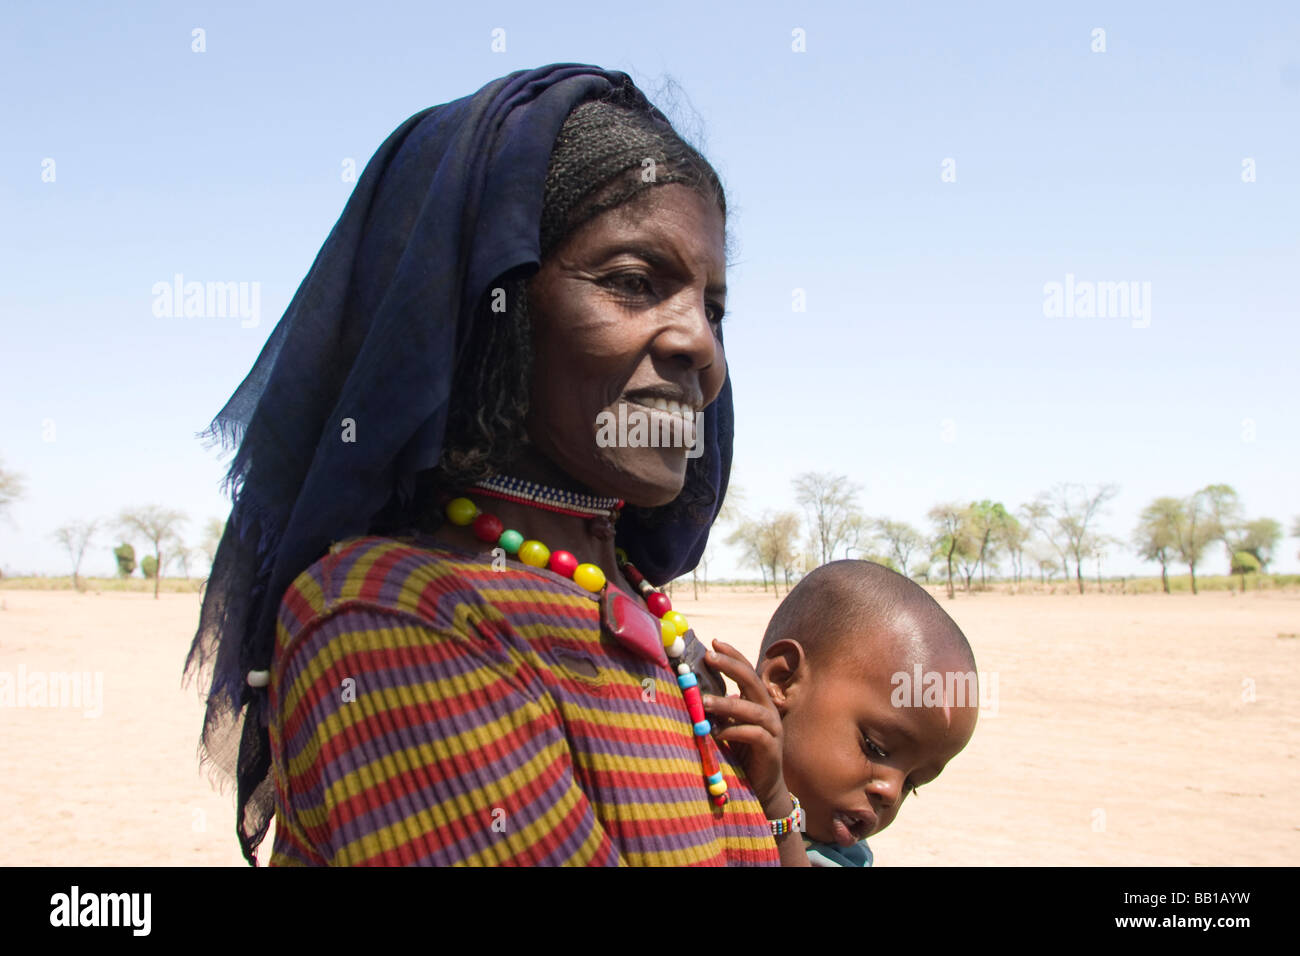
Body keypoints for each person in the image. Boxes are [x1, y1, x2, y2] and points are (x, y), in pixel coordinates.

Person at [184, 63, 793, 866]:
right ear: (494, 305)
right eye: (633, 282)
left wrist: (779, 812)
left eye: (711, 308)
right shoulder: (391, 619)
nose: (701, 347)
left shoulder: (651, 628)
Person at [701, 559, 980, 866]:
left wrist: (775, 804)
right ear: (783, 680)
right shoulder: (700, 756)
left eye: (912, 784)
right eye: (875, 748)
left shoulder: (842, 858)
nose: (890, 792)